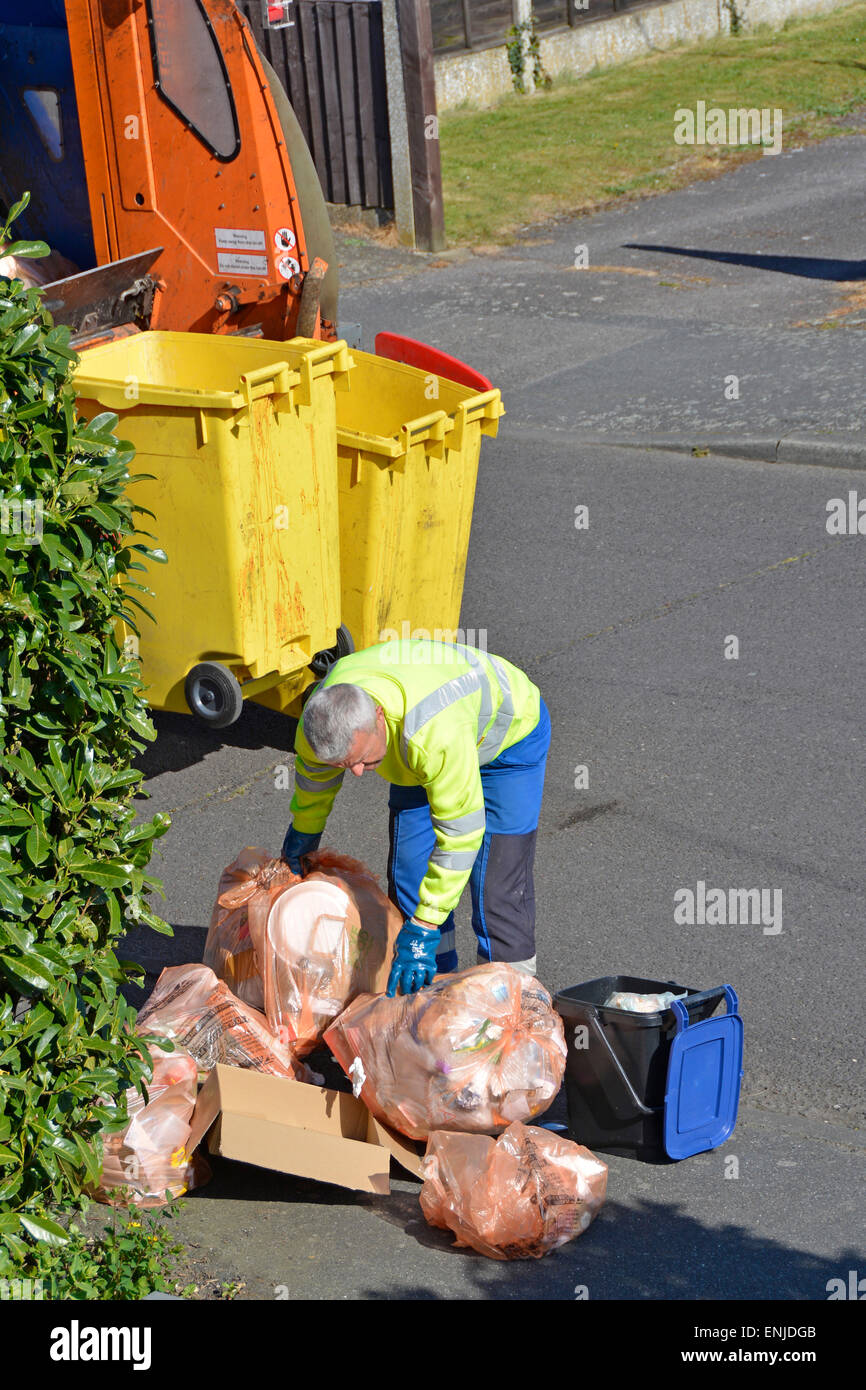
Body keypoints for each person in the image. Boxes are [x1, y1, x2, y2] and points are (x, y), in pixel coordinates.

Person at [281, 638, 551, 996]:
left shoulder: (430, 731)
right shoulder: (320, 724)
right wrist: (303, 835)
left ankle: (514, 1008)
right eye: (347, 766)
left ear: (379, 715)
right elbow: (316, 780)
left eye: (362, 759)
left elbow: (460, 834)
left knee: (498, 887)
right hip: (415, 752)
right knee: (410, 872)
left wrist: (424, 928)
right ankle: (432, 993)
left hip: (508, 739)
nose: (359, 772)